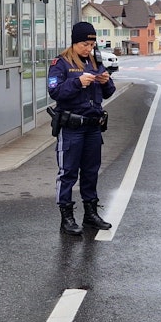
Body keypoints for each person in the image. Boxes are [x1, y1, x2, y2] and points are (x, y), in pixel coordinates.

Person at [48, 21, 116, 236]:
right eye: (85, 44)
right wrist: (77, 82)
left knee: (91, 172)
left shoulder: (95, 62)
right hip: (71, 128)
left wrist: (105, 81)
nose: (89, 48)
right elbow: (55, 92)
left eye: (92, 44)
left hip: (93, 127)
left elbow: (108, 93)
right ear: (75, 42)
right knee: (68, 173)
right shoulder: (61, 63)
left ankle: (91, 213)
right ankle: (66, 217)